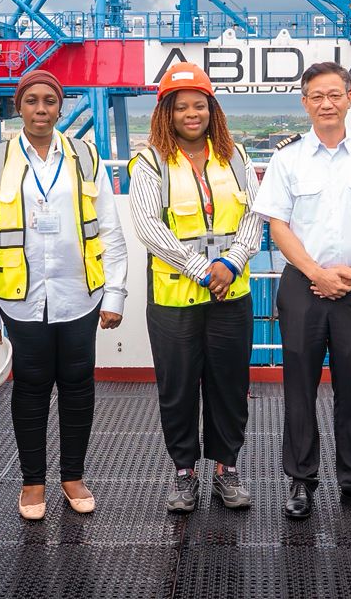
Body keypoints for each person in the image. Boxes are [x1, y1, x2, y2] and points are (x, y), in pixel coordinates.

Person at [252, 62, 351, 520]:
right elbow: (277, 224)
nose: (326, 103)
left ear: (349, 98)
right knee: (298, 385)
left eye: (334, 94)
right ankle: (301, 482)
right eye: (316, 96)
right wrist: (315, 272)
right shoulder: (288, 158)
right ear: (304, 103)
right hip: (303, 284)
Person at [0, 70, 128, 519]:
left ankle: (73, 476)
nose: (42, 109)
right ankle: (32, 482)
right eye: (32, 101)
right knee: (32, 388)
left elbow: (110, 231)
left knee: (78, 388)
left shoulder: (85, 156)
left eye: (50, 101)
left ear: (61, 107)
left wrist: (114, 294)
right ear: (18, 106)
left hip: (80, 294)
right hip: (19, 297)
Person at [128, 62, 262, 514]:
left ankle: (227, 468)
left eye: (199, 105)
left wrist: (233, 260)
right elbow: (148, 225)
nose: (191, 113)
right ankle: (184, 472)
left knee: (229, 384)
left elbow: (254, 215)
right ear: (166, 111)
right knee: (178, 387)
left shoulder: (236, 156)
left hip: (231, 292)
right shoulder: (149, 161)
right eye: (181, 106)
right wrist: (200, 268)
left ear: (212, 109)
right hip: (175, 298)